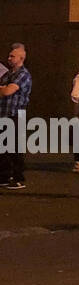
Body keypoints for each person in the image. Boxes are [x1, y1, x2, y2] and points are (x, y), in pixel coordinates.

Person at [0, 44, 33, 188]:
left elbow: (7, 91)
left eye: (12, 56)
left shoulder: (23, 74)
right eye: (9, 56)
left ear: (21, 58)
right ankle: (4, 176)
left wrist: (5, 88)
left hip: (15, 114)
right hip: (4, 113)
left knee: (14, 148)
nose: (9, 58)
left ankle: (18, 177)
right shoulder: (8, 74)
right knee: (3, 147)